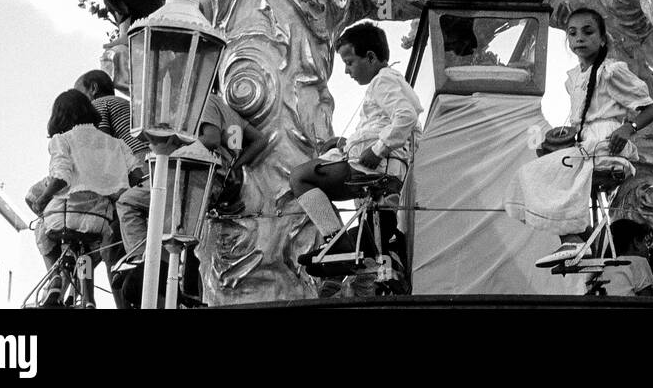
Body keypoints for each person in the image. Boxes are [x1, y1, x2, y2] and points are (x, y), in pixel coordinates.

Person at [505, 8, 653, 267]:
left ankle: (574, 239)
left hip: (605, 143)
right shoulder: (575, 78)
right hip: (587, 143)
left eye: (588, 32)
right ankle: (582, 237)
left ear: (602, 38)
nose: (579, 38)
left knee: (537, 173)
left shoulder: (610, 71)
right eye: (573, 33)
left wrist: (628, 128)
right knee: (535, 168)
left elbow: (652, 109)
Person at [291, 22, 423, 260]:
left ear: (370, 57)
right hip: (391, 168)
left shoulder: (383, 80)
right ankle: (343, 245)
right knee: (374, 232)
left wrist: (378, 149)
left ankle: (336, 242)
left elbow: (406, 117)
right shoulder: (393, 82)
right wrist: (345, 143)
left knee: (299, 176)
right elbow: (393, 123)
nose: (346, 71)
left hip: (372, 166)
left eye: (349, 62)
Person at [115, 89, 268, 263]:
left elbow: (212, 139)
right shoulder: (226, 109)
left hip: (194, 176)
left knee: (128, 201)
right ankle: (162, 264)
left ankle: (142, 262)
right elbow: (260, 140)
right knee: (173, 227)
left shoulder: (206, 101)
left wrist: (171, 148)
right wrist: (235, 166)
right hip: (216, 181)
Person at [25, 90, 143, 306]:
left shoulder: (63, 139)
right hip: (99, 221)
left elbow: (61, 176)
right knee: (84, 251)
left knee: (42, 226)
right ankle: (88, 300)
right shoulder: (116, 144)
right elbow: (137, 175)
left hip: (64, 217)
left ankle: (55, 278)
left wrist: (43, 199)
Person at [74, 69, 147, 159]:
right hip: (150, 151)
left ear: (93, 88)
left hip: (136, 154)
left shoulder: (97, 103)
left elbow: (102, 140)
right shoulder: (124, 102)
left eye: (79, 95)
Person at [593, 220, 653, 297]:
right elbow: (648, 302)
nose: (648, 251)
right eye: (646, 243)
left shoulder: (600, 269)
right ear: (636, 242)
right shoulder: (638, 262)